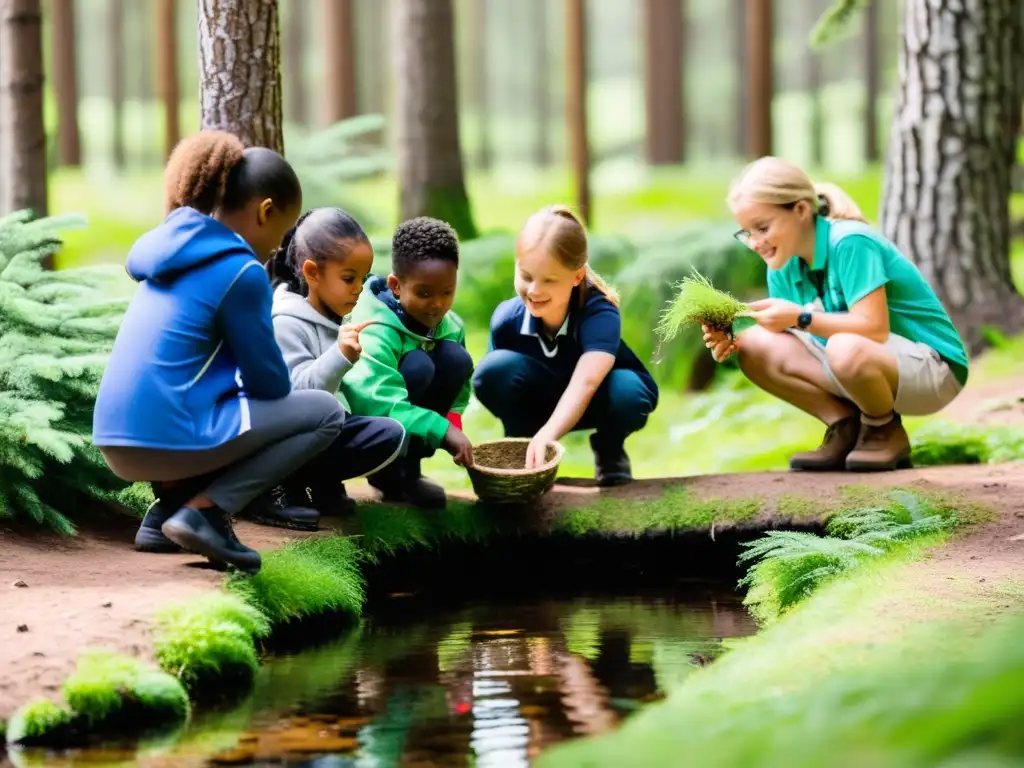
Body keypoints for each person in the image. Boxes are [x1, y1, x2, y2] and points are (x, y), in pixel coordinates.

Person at [92, 130, 346, 574]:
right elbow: (271, 385)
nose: (278, 249)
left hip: (116, 437)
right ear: (264, 211)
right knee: (324, 411)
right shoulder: (241, 270)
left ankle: (165, 515)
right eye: (283, 234)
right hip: (165, 438)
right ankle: (206, 512)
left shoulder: (169, 252)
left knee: (221, 405)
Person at [709, 155, 969, 472]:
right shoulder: (782, 262)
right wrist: (731, 334)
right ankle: (846, 427)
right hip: (864, 363)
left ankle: (882, 428)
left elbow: (873, 329)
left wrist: (799, 318)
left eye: (762, 228)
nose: (754, 243)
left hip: (934, 371)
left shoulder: (850, 242)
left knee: (844, 345)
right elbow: (788, 337)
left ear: (801, 211)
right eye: (746, 232)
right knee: (753, 345)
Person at [472, 206, 659, 486]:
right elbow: (495, 386)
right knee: (494, 370)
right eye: (526, 276)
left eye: (549, 280)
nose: (534, 290)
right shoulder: (507, 319)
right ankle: (523, 451)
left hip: (598, 397)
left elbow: (587, 382)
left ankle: (610, 449)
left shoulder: (599, 313)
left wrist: (548, 434)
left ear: (576, 276)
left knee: (628, 392)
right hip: (541, 399)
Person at [252, 207, 406, 527]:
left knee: (389, 433)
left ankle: (321, 485)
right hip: (283, 436)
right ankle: (282, 486)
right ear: (312, 273)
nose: (358, 288)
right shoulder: (286, 324)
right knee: (373, 431)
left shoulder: (333, 313)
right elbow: (297, 397)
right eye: (349, 278)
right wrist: (340, 357)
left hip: (322, 428)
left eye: (362, 279)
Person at [339, 217, 475, 509]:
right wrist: (441, 429)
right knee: (417, 365)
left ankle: (409, 473)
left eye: (446, 292)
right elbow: (375, 401)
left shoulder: (449, 325)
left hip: (408, 422)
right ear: (396, 286)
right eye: (424, 293)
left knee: (455, 358)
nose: (437, 304)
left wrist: (452, 420)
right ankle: (385, 469)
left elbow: (461, 382)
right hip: (365, 428)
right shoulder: (375, 329)